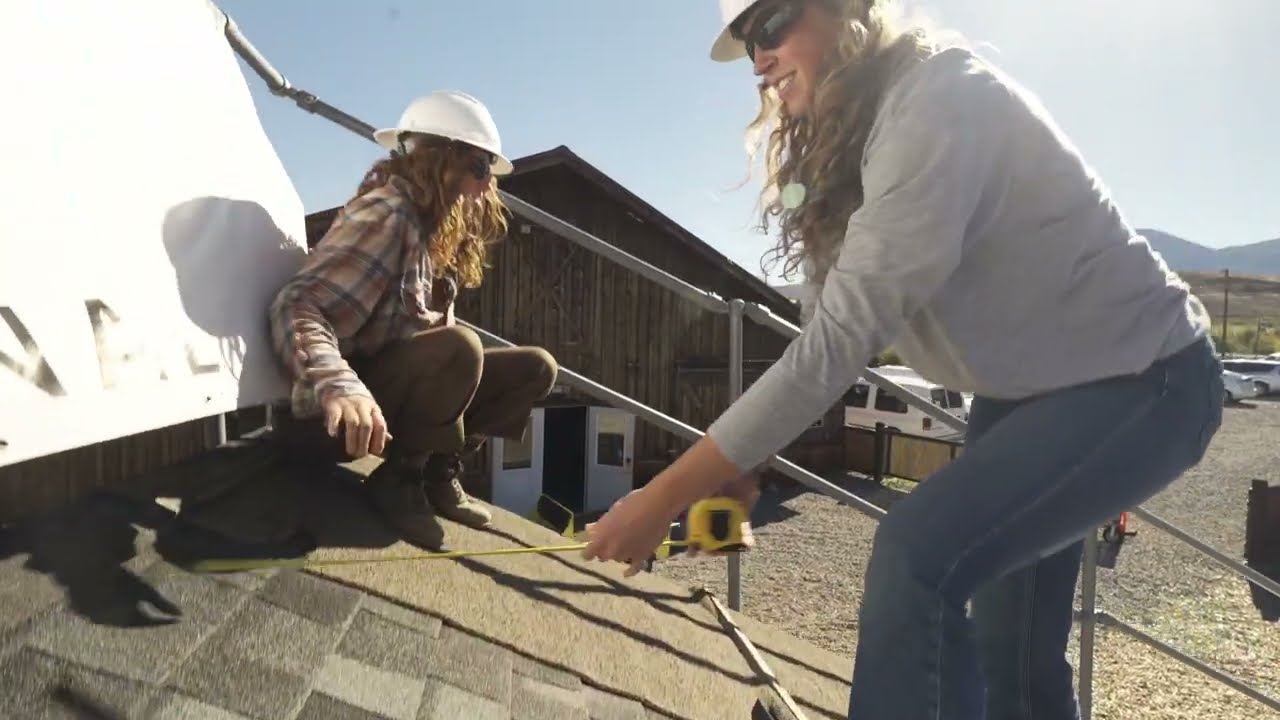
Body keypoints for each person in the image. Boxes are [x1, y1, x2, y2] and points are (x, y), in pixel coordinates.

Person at [581, 2, 1224, 718]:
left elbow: (834, 349)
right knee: (1011, 653)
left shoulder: (938, 103)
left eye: (770, 24)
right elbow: (822, 329)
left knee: (918, 557)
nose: (758, 58)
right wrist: (739, 466)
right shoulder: (847, 153)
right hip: (1029, 389)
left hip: (1147, 377)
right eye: (747, 41)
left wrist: (661, 498)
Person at [269, 90, 558, 551]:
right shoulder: (388, 214)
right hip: (334, 422)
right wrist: (341, 389)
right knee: (460, 348)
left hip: (387, 404)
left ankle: (435, 470)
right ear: (436, 160)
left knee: (536, 368)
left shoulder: (432, 229)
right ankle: (399, 482)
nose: (486, 186)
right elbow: (298, 304)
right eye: (479, 167)